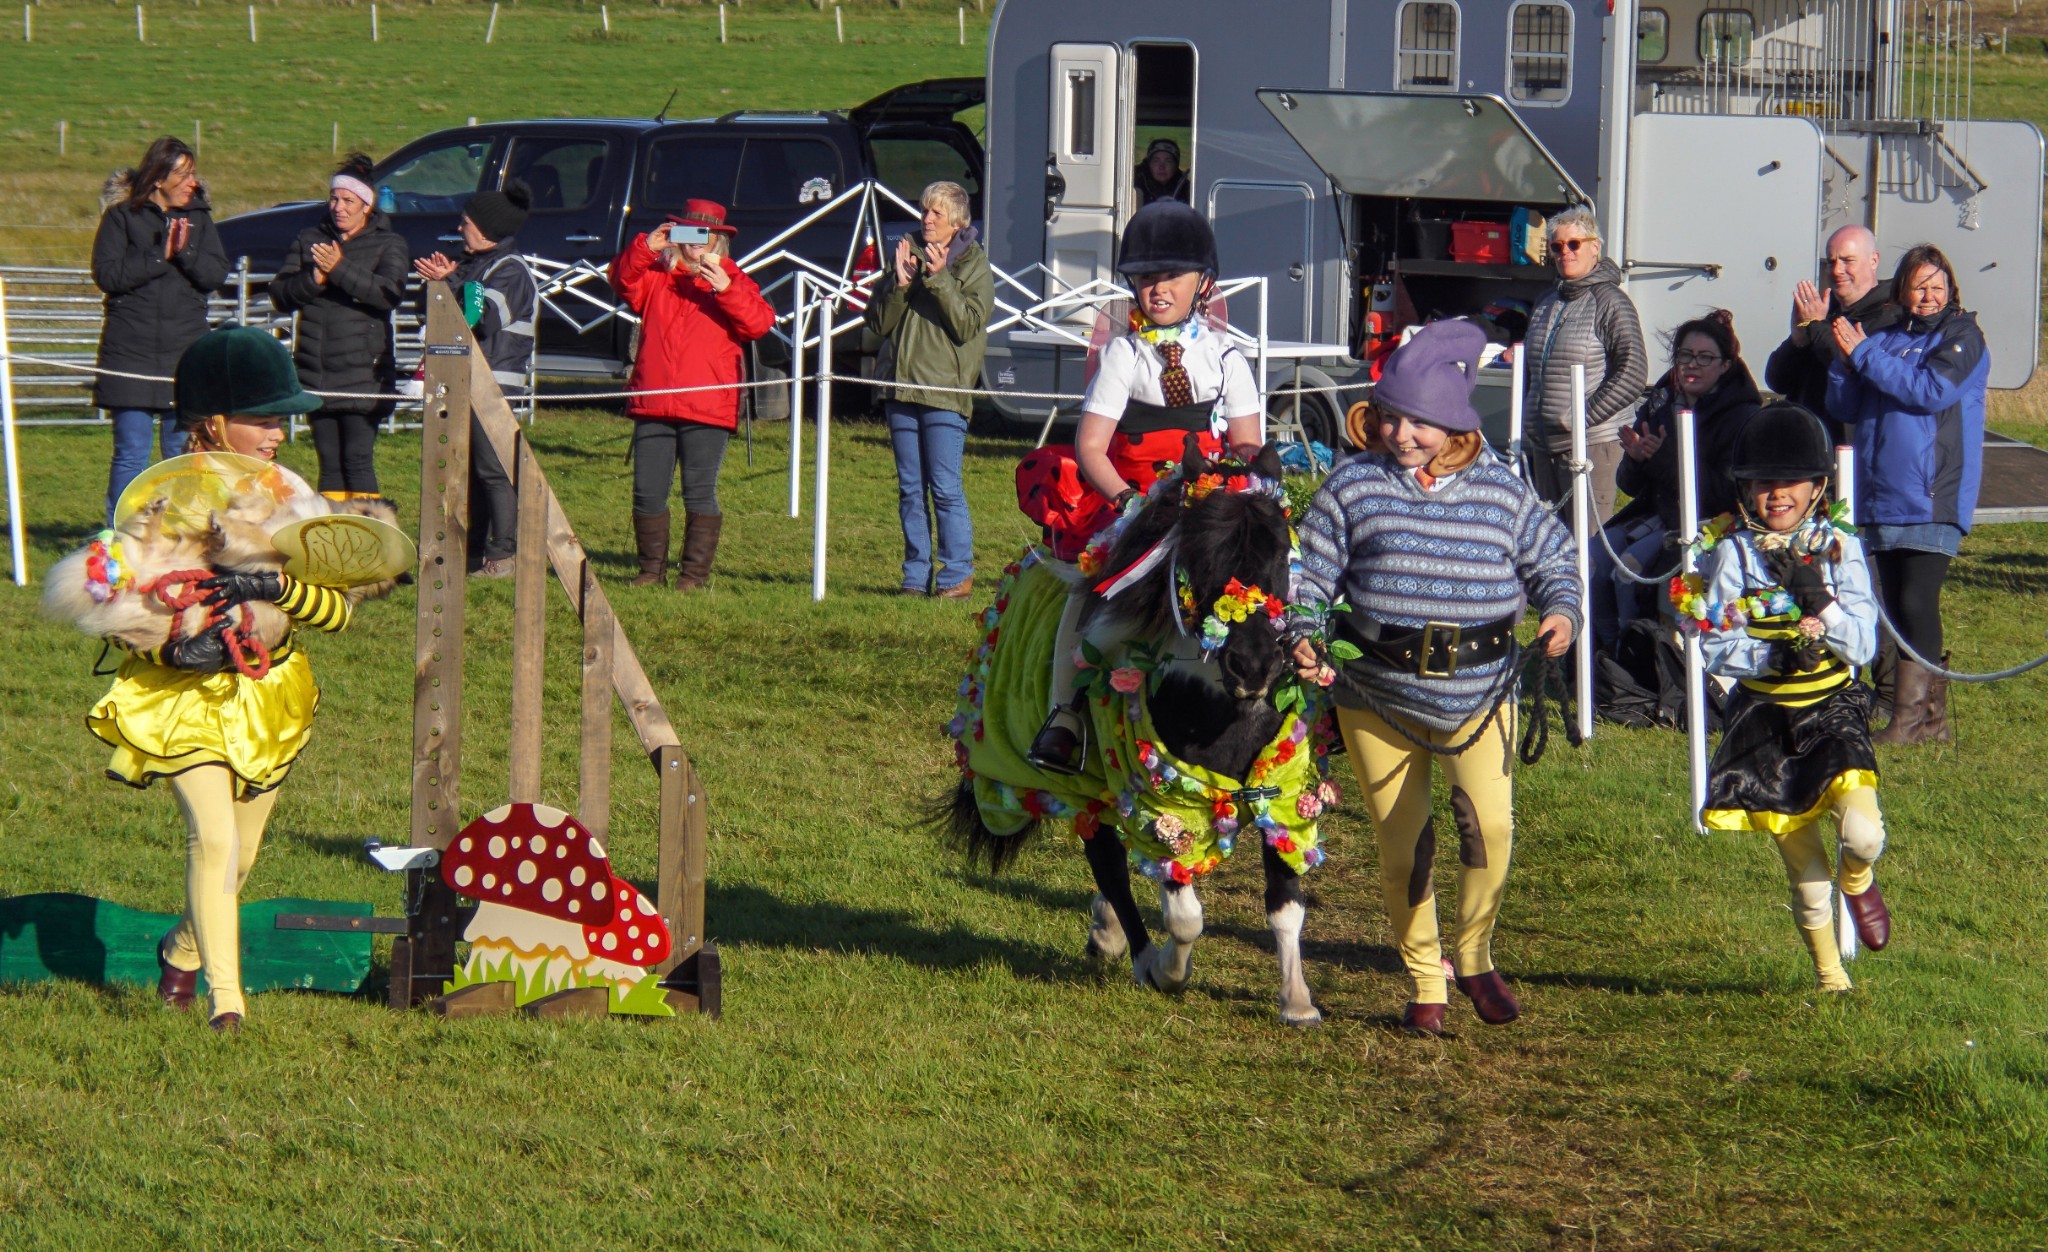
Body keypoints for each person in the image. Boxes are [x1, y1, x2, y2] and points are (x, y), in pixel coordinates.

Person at [1288, 319, 1580, 1036]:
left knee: (1492, 831)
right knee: (1403, 844)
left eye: (1418, 421)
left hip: (1480, 693)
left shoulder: (1503, 490)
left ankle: (1474, 956)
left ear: (1453, 423)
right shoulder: (1351, 483)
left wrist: (1561, 612)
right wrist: (1302, 633)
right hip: (1374, 695)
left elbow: (1556, 558)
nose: (1400, 433)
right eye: (1389, 416)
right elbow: (1311, 575)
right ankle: (1426, 982)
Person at [84, 327, 356, 1032]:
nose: (279, 433)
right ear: (212, 423)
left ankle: (179, 948)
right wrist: (160, 637)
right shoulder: (154, 504)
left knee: (241, 860)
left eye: (282, 417)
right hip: (181, 704)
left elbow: (337, 615)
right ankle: (225, 1004)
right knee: (212, 841)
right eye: (264, 418)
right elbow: (118, 611)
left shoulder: (296, 502)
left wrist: (277, 590)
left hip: (267, 696)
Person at [1023, 200, 1264, 773]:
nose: (1157, 290)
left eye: (1171, 278)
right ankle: (1064, 716)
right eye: (1146, 279)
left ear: (1202, 283)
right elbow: (1089, 447)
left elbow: (1248, 442)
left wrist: (1235, 485)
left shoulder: (1227, 356)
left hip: (1207, 500)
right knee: (1092, 592)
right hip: (1132, 499)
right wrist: (1129, 503)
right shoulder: (1122, 356)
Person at [1679, 402, 1891, 992]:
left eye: (1790, 483)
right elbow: (1716, 644)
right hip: (1766, 721)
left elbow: (1864, 643)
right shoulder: (1730, 554)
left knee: (1863, 834)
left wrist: (1820, 602)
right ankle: (1830, 979)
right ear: (1745, 490)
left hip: (1831, 710)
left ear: (1818, 486)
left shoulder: (1840, 548)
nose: (1776, 495)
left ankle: (1859, 882)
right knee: (1806, 873)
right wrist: (1768, 656)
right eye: (1763, 484)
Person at [1826, 244, 1988, 746]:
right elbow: (1844, 402)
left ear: (1951, 290)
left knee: (1918, 600)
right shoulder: (1883, 338)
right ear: (1901, 289)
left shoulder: (1963, 336)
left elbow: (1929, 391)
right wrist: (1842, 359)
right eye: (1919, 286)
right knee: (1892, 604)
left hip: (1930, 492)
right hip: (1880, 494)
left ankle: (1909, 722)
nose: (1928, 295)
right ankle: (1928, 723)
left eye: (1938, 286)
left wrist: (1864, 353)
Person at [610, 200, 775, 590]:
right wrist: (646, 247)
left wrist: (726, 289)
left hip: (707, 404)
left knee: (699, 491)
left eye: (704, 235)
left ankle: (693, 576)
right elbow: (620, 280)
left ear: (718, 239)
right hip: (654, 402)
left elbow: (758, 324)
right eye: (687, 233)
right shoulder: (656, 276)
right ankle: (651, 572)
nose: (695, 244)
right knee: (646, 491)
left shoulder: (733, 278)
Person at [1589, 309, 1761, 647]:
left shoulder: (1743, 417)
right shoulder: (1663, 403)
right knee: (1592, 556)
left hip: (1709, 523)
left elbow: (1721, 495)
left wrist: (1662, 459)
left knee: (1629, 569)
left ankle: (1637, 658)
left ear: (1726, 366)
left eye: (1705, 358)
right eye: (1685, 355)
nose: (1692, 365)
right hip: (1659, 514)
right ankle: (1603, 657)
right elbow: (1630, 486)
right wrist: (1638, 461)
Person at [91, 136, 229, 525]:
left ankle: (180, 533)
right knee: (131, 454)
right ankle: (120, 536)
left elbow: (215, 275)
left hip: (185, 357)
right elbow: (108, 275)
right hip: (129, 355)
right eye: (183, 174)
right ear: (158, 178)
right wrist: (158, 255)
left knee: (180, 454)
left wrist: (184, 252)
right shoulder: (121, 218)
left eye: (193, 173)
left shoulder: (201, 220)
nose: (192, 182)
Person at [864, 180, 993, 598]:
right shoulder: (905, 253)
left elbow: (968, 324)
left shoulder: (973, 264)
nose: (927, 219)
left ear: (957, 221)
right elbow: (878, 324)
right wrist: (899, 286)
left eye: (937, 212)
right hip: (900, 388)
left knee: (945, 486)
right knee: (909, 489)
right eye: (924, 210)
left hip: (945, 391)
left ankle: (956, 575)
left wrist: (939, 280)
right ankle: (915, 577)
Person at [270, 153, 410, 506]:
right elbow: (281, 295)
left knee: (357, 460)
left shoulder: (389, 244)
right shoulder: (309, 239)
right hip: (317, 372)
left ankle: (368, 537)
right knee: (328, 464)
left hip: (365, 374)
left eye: (348, 201)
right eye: (334, 198)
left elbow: (387, 294)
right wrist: (314, 278)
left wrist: (339, 268)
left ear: (366, 205)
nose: (339, 207)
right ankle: (333, 536)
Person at [415, 180, 538, 579]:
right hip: (458, 383)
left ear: (485, 228)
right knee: (463, 473)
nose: (459, 227)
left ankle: (503, 556)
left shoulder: (511, 271)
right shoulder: (469, 265)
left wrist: (450, 282)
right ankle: (468, 553)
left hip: (495, 387)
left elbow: (479, 318)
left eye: (465, 221)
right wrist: (436, 283)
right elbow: (432, 317)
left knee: (493, 472)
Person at [1519, 205, 1648, 523]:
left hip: (1593, 445)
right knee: (1547, 548)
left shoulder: (1612, 302)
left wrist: (1580, 418)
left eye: (1574, 244)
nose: (1565, 252)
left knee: (1589, 552)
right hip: (1543, 447)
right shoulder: (1545, 302)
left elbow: (1632, 372)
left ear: (1595, 248)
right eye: (1557, 246)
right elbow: (1532, 372)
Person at [1764, 225, 1901, 440]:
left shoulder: (1891, 317)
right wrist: (1798, 340)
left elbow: (1851, 366)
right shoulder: (1824, 312)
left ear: (1873, 261)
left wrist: (1817, 326)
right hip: (1805, 447)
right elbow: (1777, 381)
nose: (1837, 270)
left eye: (1848, 260)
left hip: (1848, 450)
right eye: (1831, 262)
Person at [1133, 138, 1191, 206]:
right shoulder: (1135, 185)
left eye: (1168, 161)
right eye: (1156, 161)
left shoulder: (1187, 190)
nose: (1161, 167)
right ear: (1149, 164)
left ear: (1176, 166)